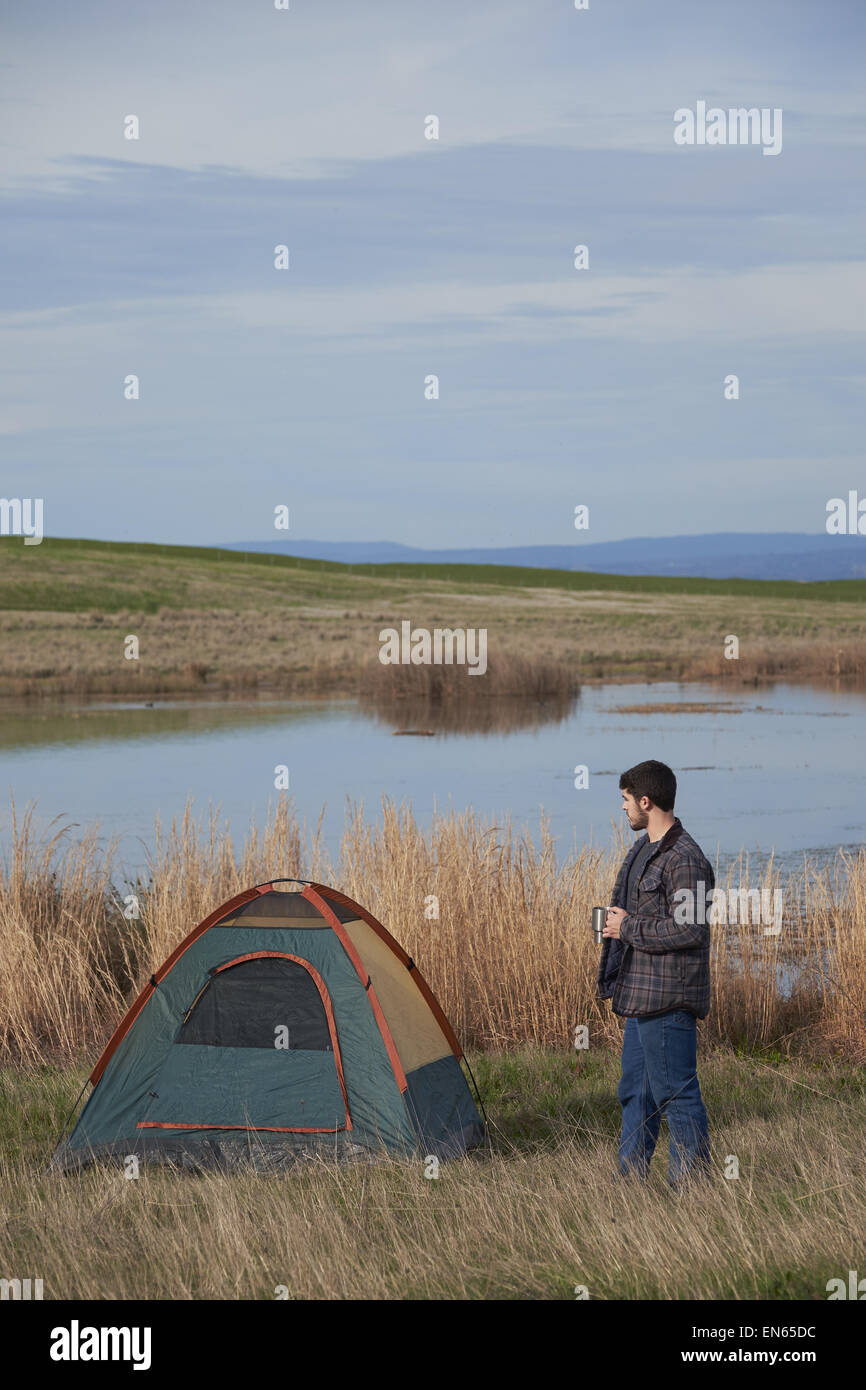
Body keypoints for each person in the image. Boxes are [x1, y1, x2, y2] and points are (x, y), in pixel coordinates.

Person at [598, 760, 714, 1186]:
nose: (624, 809)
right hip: (640, 996)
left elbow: (691, 928)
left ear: (646, 801)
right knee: (636, 1094)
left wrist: (626, 927)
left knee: (677, 1095)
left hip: (668, 998)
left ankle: (692, 1186)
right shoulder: (644, 850)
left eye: (626, 801)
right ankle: (627, 1180)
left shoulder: (686, 859)